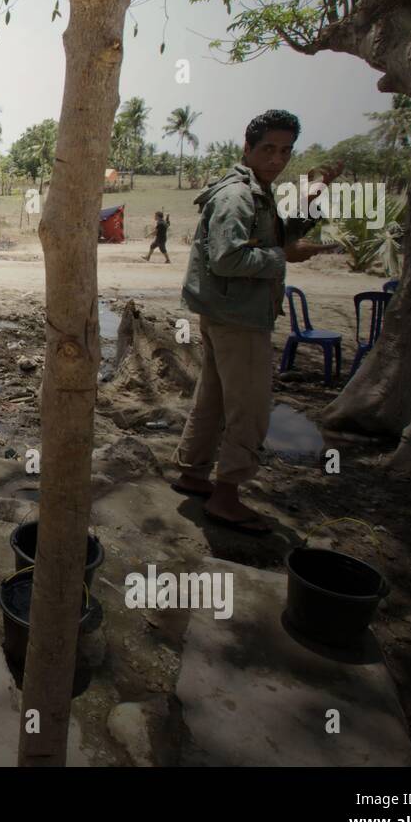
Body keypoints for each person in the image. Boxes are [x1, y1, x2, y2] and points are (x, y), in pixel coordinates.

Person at [170, 110, 340, 533]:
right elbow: (228, 259)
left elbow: (272, 234)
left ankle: (193, 472)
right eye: (268, 149)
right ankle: (227, 496)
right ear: (247, 149)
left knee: (213, 397)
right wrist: (285, 257)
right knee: (248, 407)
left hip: (226, 313)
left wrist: (311, 198)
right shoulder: (238, 197)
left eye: (284, 151)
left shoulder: (257, 192)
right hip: (239, 318)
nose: (277, 159)